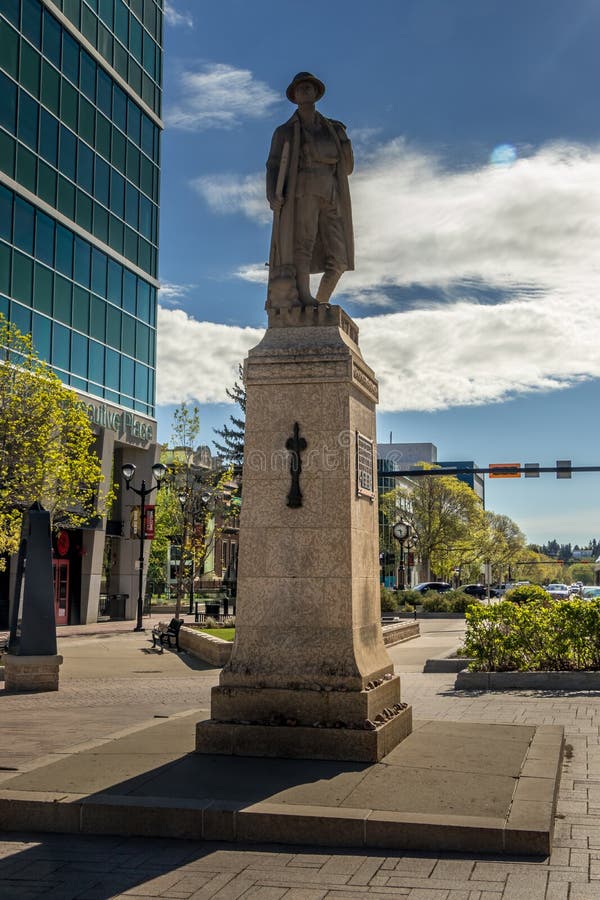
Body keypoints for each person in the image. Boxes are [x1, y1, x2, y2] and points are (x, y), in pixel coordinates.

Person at [266, 72, 354, 309]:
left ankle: (321, 301)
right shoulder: (285, 131)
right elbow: (273, 164)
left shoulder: (332, 129)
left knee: (340, 258)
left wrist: (344, 141)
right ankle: (304, 297)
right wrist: (272, 194)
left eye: (309, 87)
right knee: (302, 247)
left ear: (316, 93)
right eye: (300, 88)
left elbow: (347, 167)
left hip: (331, 193)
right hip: (302, 191)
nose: (305, 91)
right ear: (294, 96)